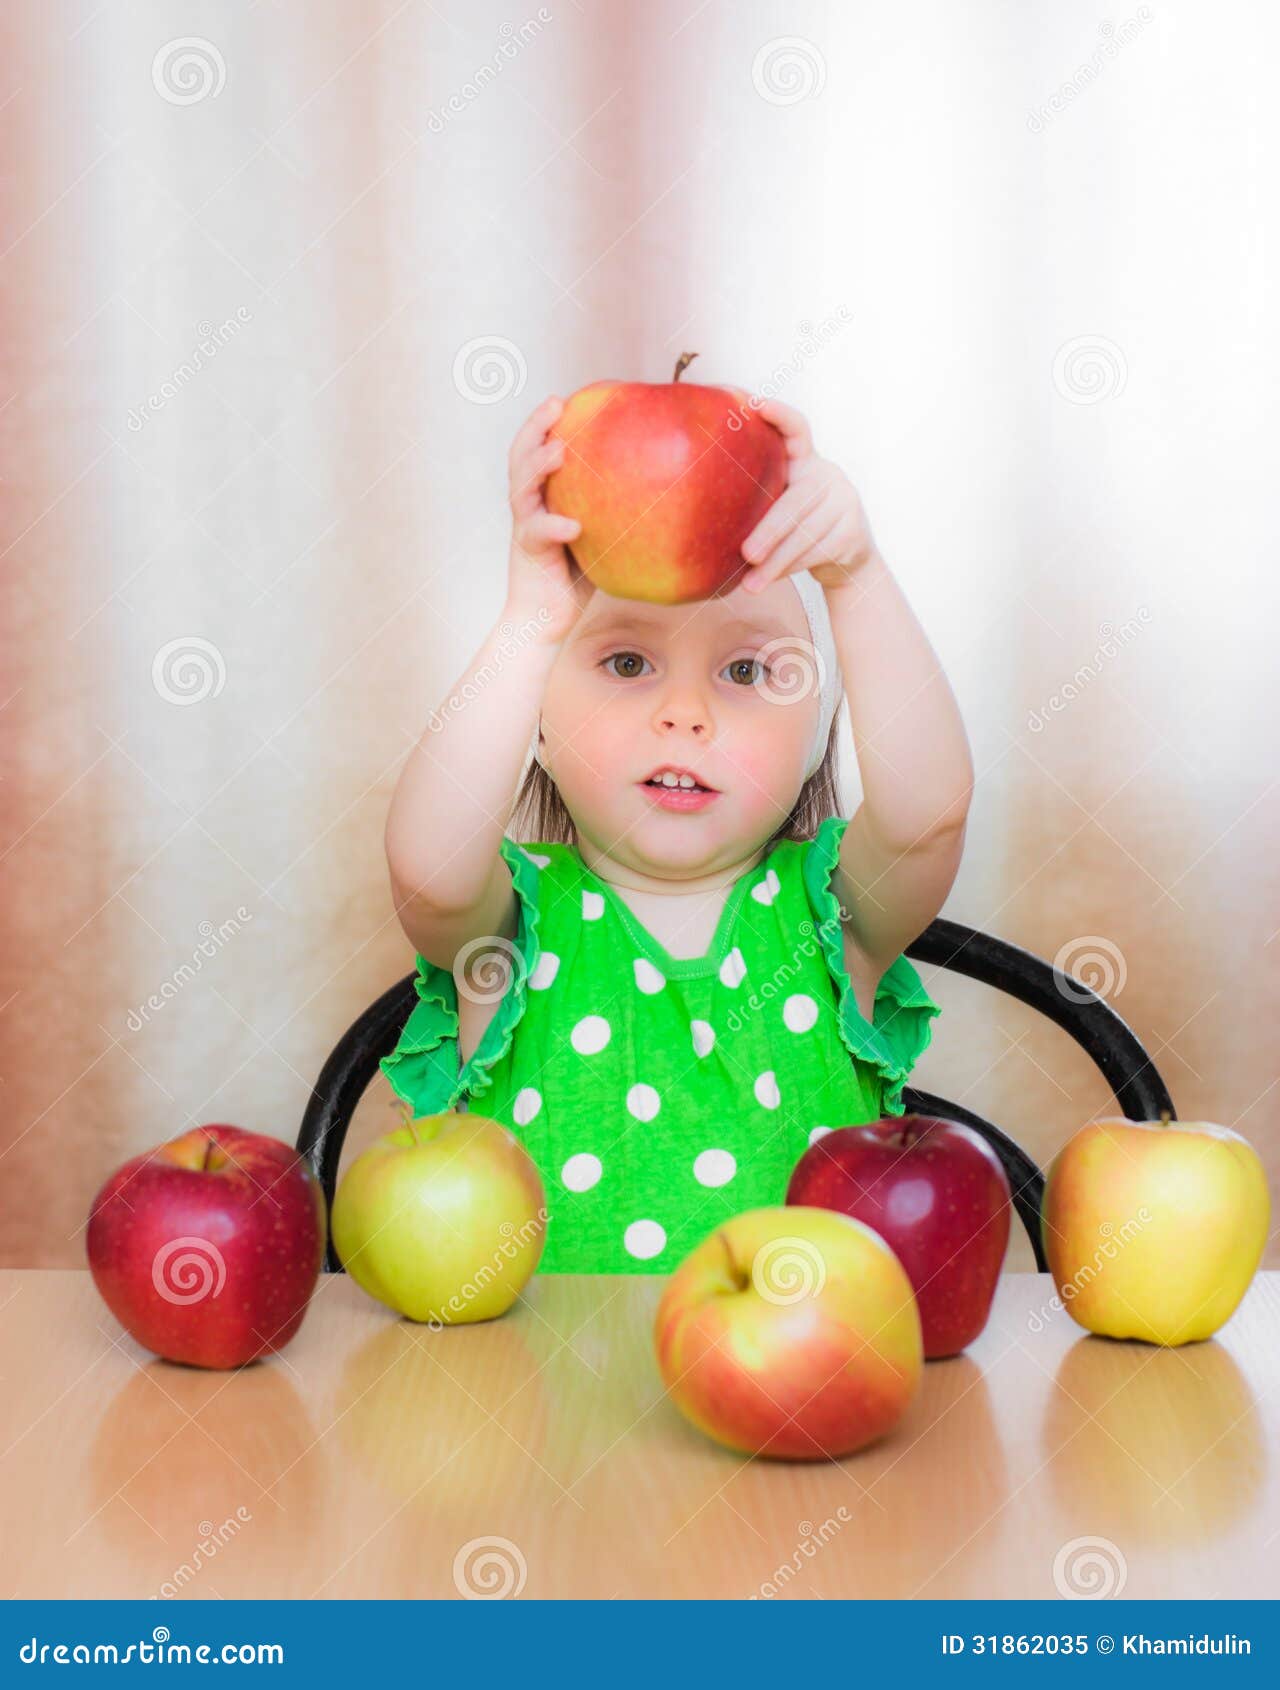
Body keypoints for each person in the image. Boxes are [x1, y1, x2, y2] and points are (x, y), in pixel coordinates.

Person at [381, 390, 974, 1273]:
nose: (685, 715)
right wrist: (530, 625)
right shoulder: (509, 932)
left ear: (815, 731)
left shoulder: (828, 922)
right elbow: (426, 870)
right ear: (535, 721)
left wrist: (855, 573)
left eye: (745, 670)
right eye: (627, 662)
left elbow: (929, 818)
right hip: (541, 1404)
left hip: (791, 1402)